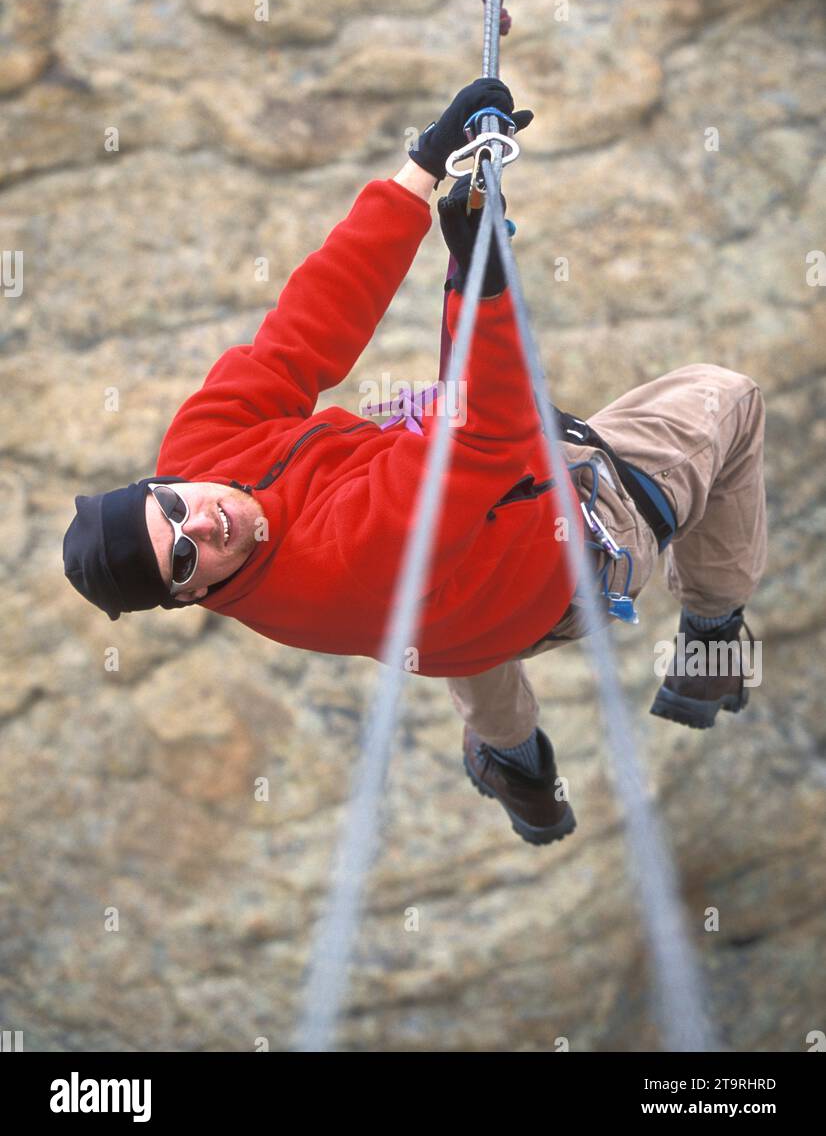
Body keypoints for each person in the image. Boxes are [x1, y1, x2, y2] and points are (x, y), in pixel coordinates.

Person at [62, 78, 767, 847]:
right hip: (568, 559)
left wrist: (422, 167)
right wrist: (478, 280)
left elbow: (306, 325)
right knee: (727, 400)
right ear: (191, 595)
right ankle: (713, 638)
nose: (204, 520)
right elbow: (488, 437)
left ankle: (514, 762)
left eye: (170, 508)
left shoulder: (201, 451)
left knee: (445, 613)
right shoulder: (347, 560)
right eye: (187, 557)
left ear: (159, 481)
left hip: (447, 608)